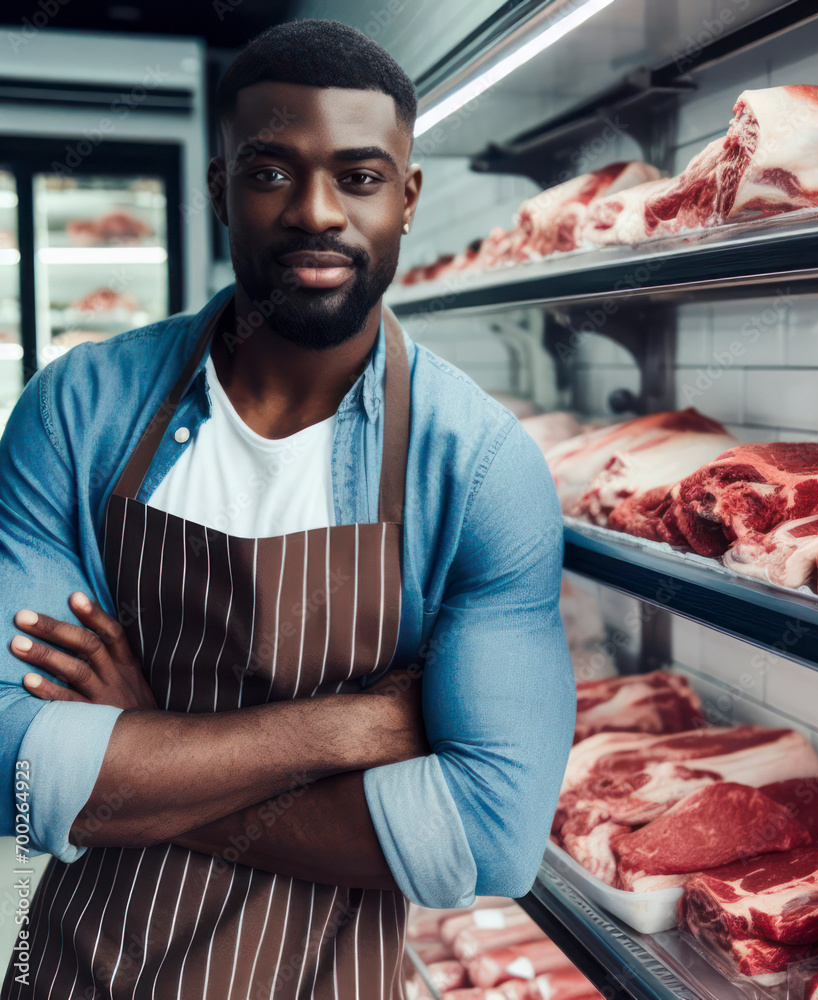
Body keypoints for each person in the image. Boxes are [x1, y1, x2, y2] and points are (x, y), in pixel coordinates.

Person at [0, 20, 575, 999]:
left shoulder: (477, 467)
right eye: (272, 172)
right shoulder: (80, 407)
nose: (317, 211)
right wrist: (344, 731)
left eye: (357, 176)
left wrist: (136, 746)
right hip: (76, 972)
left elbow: (486, 837)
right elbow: (18, 769)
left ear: (406, 195)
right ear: (220, 185)